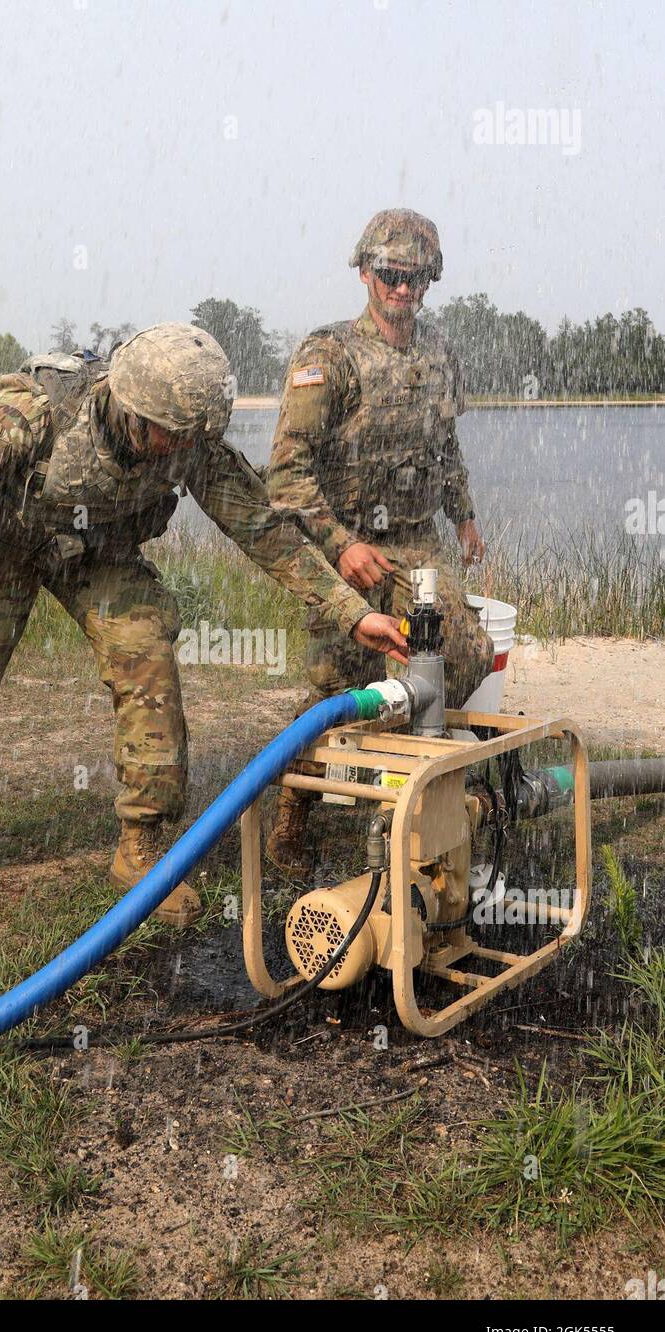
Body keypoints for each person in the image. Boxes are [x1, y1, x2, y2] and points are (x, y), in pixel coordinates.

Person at [0, 323, 407, 923]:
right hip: (2, 547)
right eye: (169, 435)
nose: (180, 448)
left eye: (190, 437)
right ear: (133, 409)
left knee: (147, 658)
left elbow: (265, 531)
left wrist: (351, 613)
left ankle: (139, 847)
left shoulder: (187, 435)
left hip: (96, 552)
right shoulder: (23, 420)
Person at [265, 209, 493, 873]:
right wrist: (338, 546)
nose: (403, 289)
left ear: (431, 280)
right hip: (346, 544)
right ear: (366, 273)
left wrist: (465, 516)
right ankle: (292, 816)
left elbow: (447, 444)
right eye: (391, 274)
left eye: (417, 278)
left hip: (416, 543)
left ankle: (395, 799)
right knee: (337, 687)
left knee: (461, 653)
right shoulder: (327, 355)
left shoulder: (439, 352)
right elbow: (287, 473)